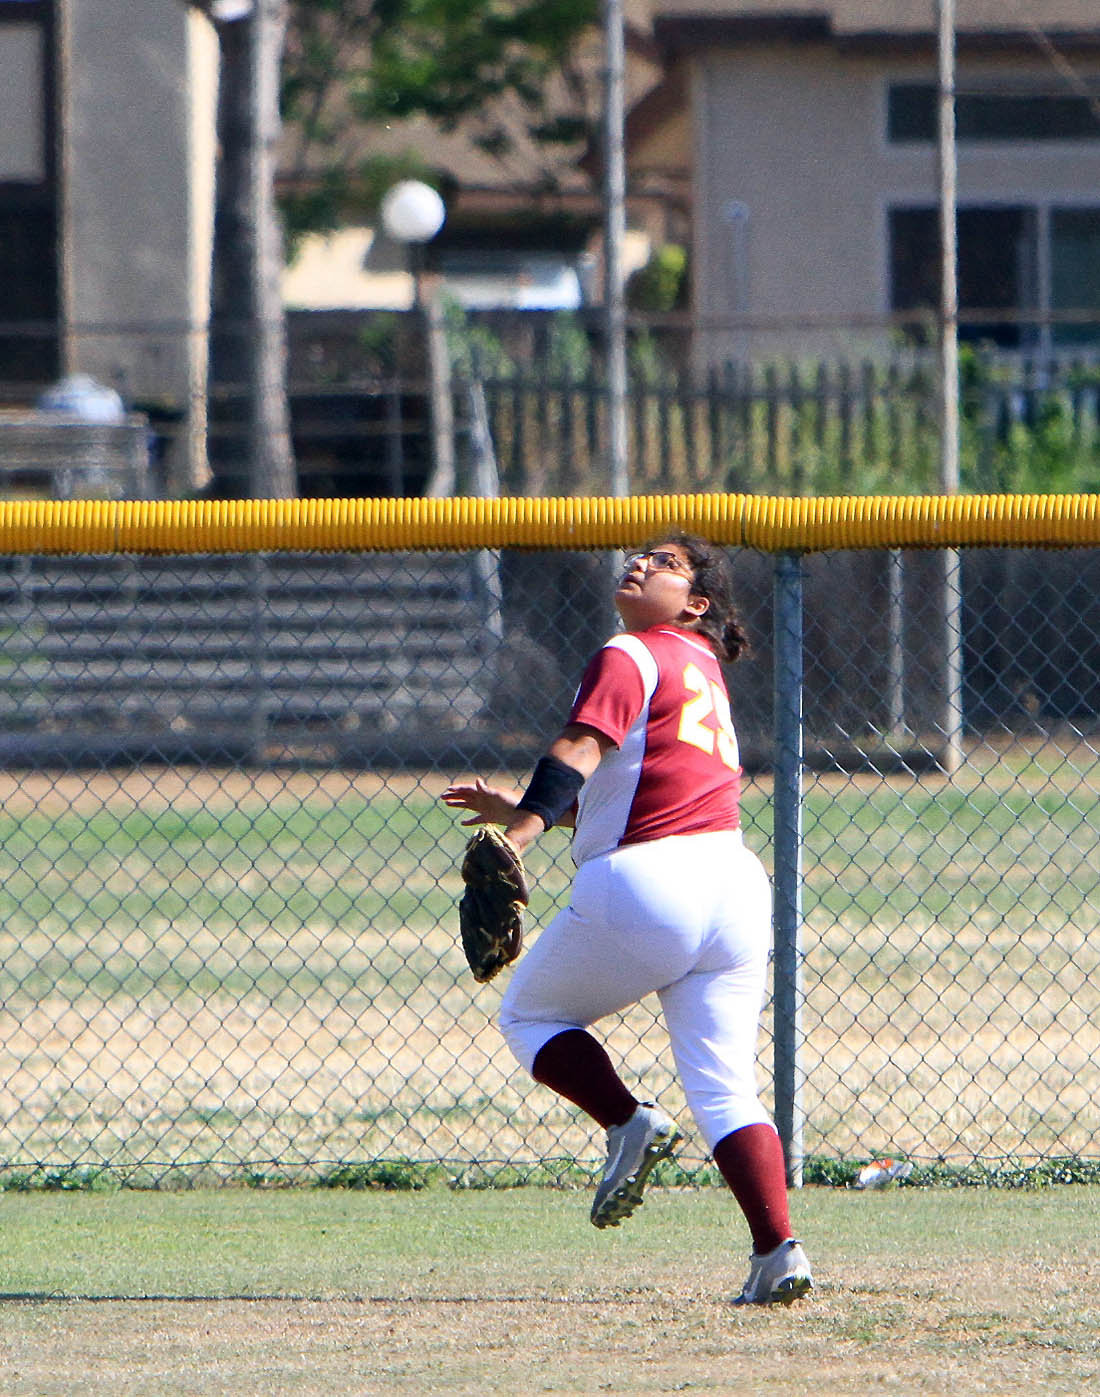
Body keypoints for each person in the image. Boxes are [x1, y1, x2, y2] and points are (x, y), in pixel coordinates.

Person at [441, 533, 813, 1306]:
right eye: (642, 555)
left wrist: (519, 835)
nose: (641, 564)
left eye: (666, 563)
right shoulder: (701, 666)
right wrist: (527, 808)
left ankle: (626, 1121)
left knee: (530, 1015)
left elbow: (580, 746)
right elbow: (636, 792)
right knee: (725, 1089)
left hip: (648, 883)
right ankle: (778, 1249)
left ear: (697, 603)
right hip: (733, 886)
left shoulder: (631, 651)